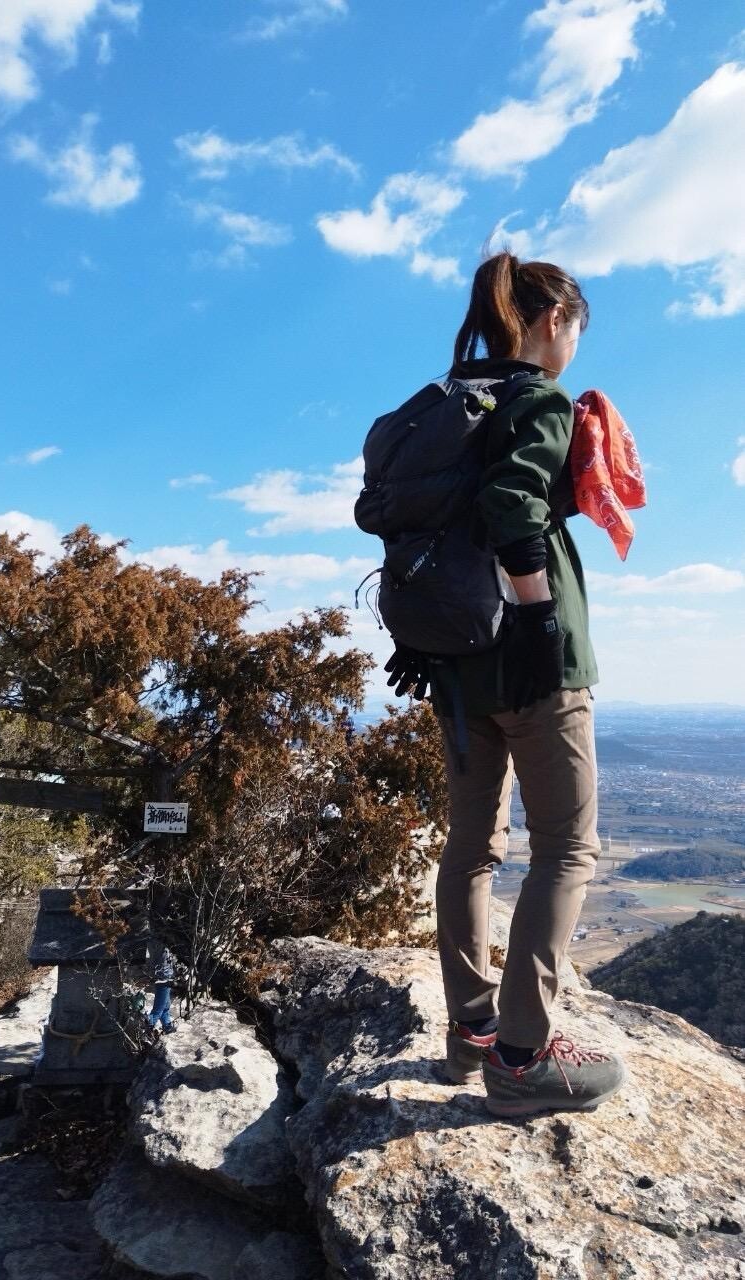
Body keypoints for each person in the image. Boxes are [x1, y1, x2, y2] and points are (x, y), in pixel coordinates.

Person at [387, 252, 627, 1117]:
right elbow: (515, 505)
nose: (573, 349)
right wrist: (536, 617)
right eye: (577, 331)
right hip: (532, 662)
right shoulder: (536, 397)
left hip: (454, 664)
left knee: (471, 848)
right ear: (555, 321)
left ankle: (470, 1032)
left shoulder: (452, 403)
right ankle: (524, 1058)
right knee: (567, 848)